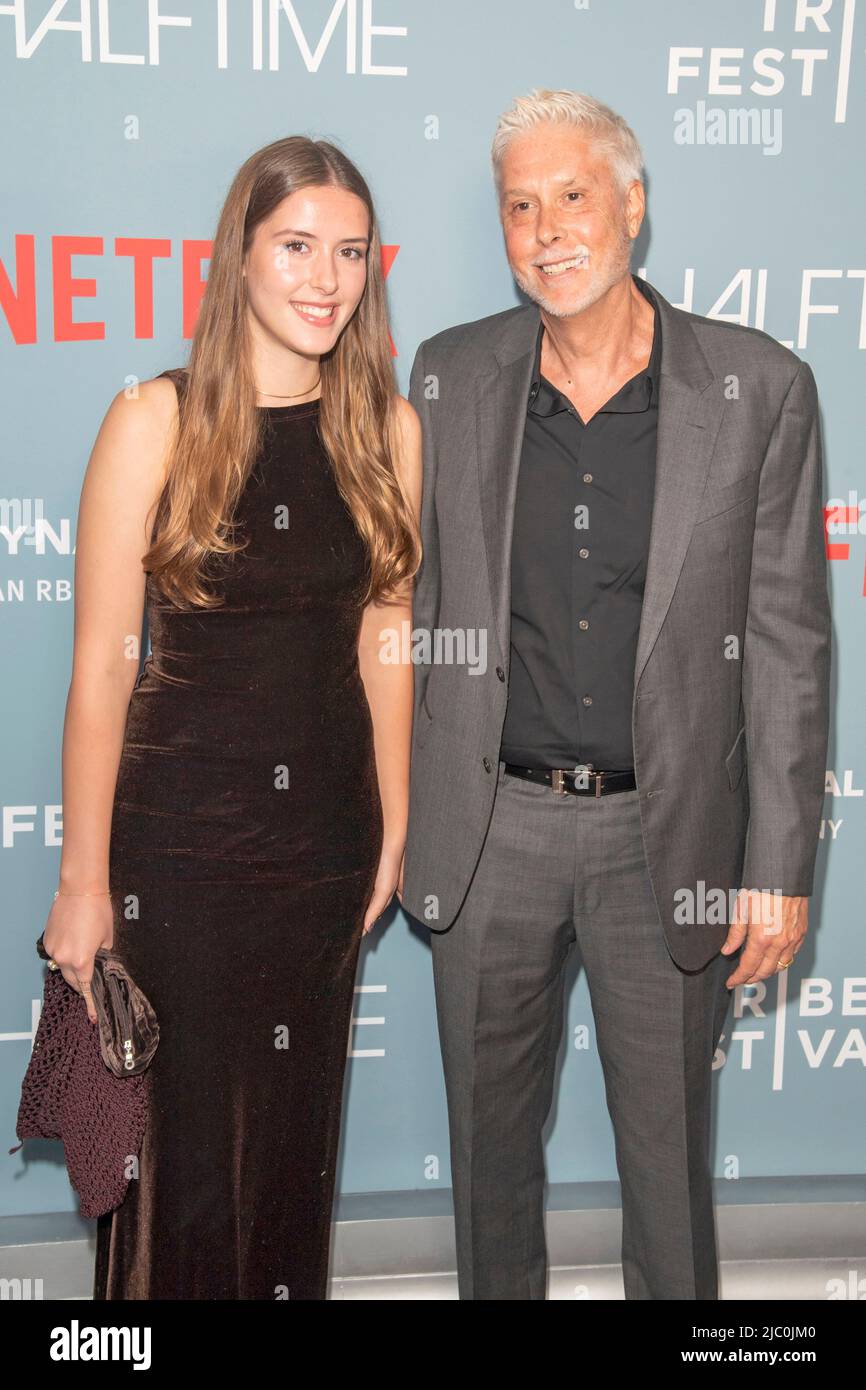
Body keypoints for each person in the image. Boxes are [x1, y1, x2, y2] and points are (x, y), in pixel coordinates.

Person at [399, 89, 831, 1299]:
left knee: (667, 1169)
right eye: (518, 205)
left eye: (572, 194)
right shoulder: (447, 377)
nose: (546, 228)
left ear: (632, 203)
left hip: (669, 839)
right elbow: (410, 614)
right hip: (491, 832)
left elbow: (787, 639)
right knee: (486, 1170)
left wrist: (776, 862)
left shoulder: (757, 388)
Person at [43, 134, 421, 1300]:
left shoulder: (387, 434)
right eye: (295, 246)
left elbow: (386, 642)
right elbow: (104, 671)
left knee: (294, 1146)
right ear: (240, 260)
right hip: (179, 850)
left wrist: (392, 831)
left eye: (348, 252)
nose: (323, 278)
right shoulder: (154, 420)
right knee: (177, 1160)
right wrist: (84, 881)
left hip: (321, 851)